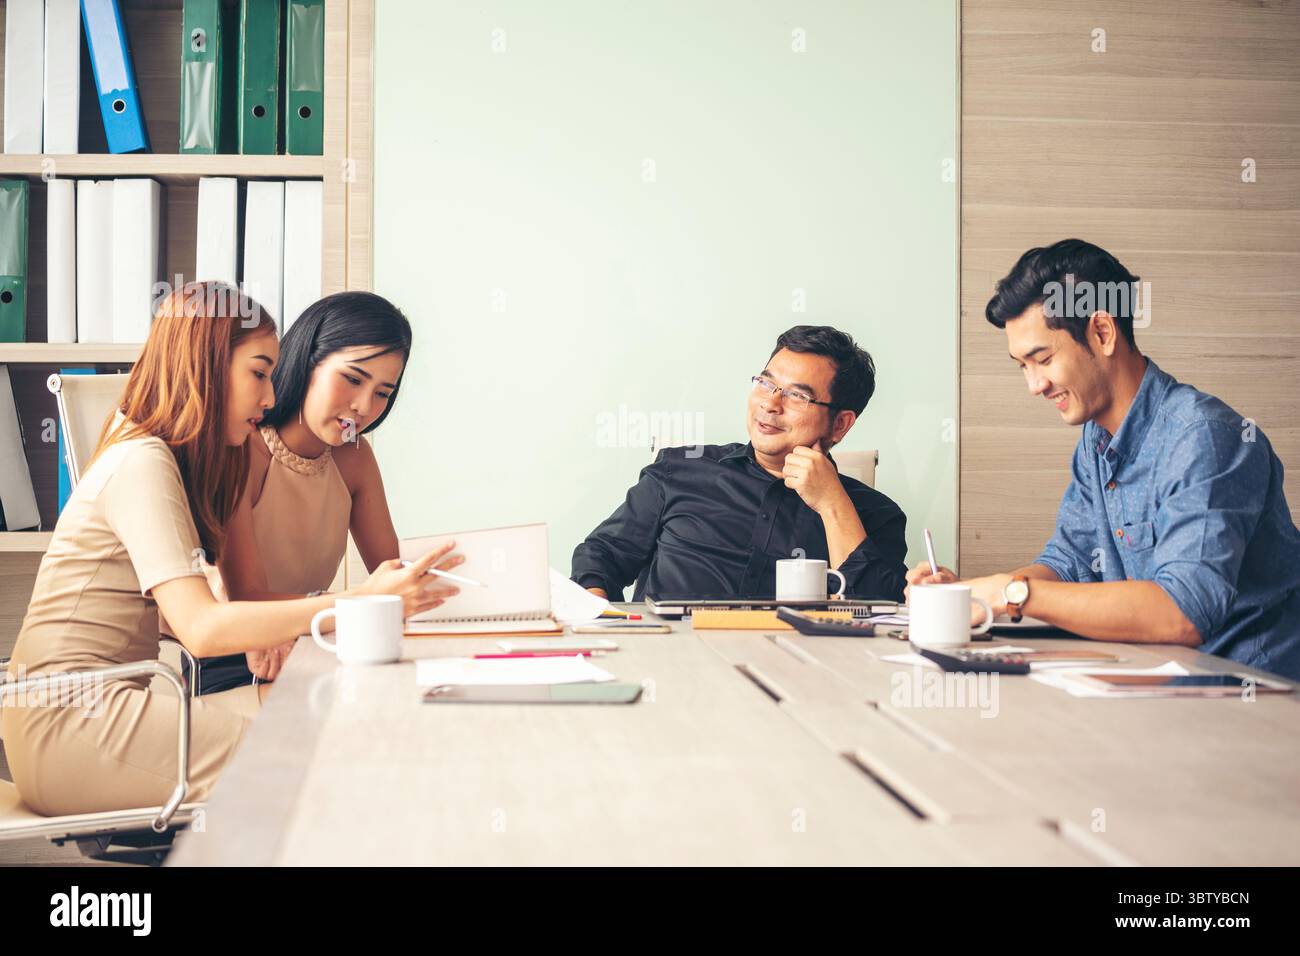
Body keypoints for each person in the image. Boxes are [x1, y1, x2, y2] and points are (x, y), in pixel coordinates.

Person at [0, 282, 455, 815]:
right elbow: (202, 627)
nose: (268, 396)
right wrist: (361, 602)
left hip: (105, 706)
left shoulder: (157, 456)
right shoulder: (142, 463)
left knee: (347, 720)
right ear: (207, 365)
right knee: (339, 755)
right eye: (259, 373)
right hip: (75, 724)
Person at [908, 239, 1300, 679]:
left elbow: (1183, 613)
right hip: (1160, 685)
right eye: (1022, 365)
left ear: (1102, 332)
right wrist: (968, 596)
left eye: (1043, 359)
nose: (1034, 385)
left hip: (1254, 696)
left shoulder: (1205, 438)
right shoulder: (1096, 441)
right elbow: (1067, 565)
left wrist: (1010, 593)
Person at [192, 291, 455, 693]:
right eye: (352, 379)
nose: (364, 407)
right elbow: (249, 598)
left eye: (383, 393)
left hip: (319, 646)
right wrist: (363, 599)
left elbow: (390, 573)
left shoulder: (354, 457)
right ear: (306, 363)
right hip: (240, 661)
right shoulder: (241, 450)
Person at [572, 325, 908, 601]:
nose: (770, 403)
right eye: (766, 383)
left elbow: (876, 614)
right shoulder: (679, 471)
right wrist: (603, 614)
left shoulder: (875, 515)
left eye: (797, 395)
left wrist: (833, 505)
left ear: (840, 424)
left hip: (799, 675)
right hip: (675, 666)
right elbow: (600, 557)